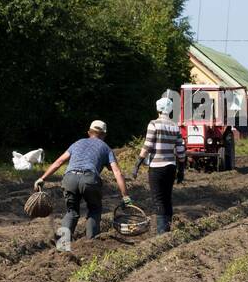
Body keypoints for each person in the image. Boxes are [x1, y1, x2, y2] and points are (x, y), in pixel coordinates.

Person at [36, 119, 131, 242]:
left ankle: (62, 245)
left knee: (71, 212)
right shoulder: (106, 148)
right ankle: (90, 243)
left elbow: (59, 162)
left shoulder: (77, 143)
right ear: (104, 135)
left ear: (89, 132)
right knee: (94, 209)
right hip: (89, 179)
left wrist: (42, 178)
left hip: (70, 178)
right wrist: (125, 195)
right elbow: (117, 172)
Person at [132, 95, 186, 234]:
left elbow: (148, 145)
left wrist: (138, 163)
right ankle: (167, 230)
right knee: (167, 198)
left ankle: (162, 233)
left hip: (157, 168)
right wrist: (181, 170)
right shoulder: (175, 126)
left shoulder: (154, 124)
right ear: (170, 110)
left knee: (158, 200)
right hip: (171, 167)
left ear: (158, 109)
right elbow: (180, 151)